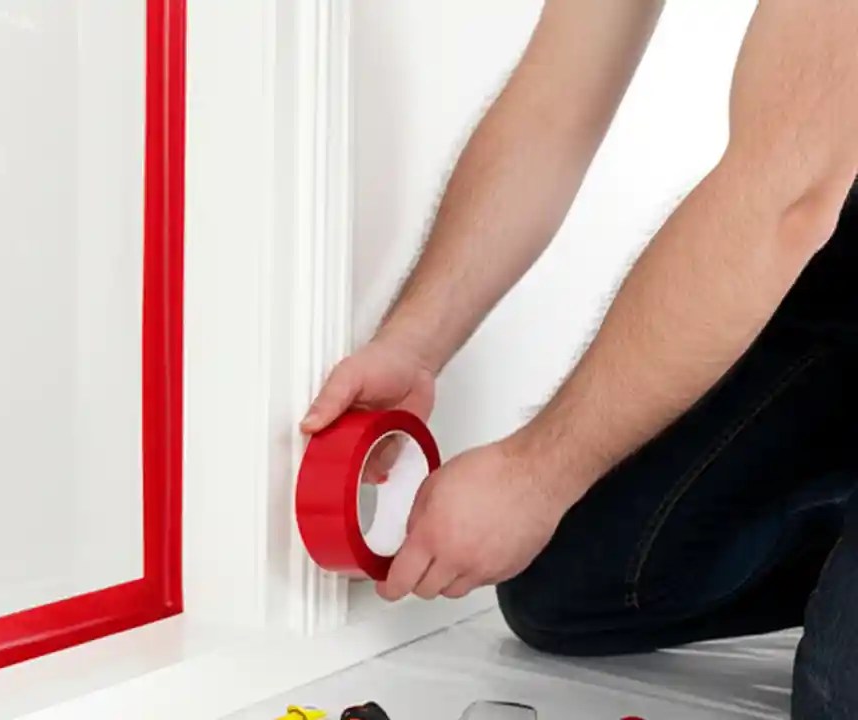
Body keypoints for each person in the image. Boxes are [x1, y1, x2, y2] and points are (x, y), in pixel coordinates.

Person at [299, 1, 858, 717]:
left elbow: (787, 194)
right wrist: (414, 343)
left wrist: (538, 472)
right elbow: (554, 103)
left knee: (839, 694)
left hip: (816, 207)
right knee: (573, 587)